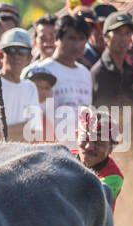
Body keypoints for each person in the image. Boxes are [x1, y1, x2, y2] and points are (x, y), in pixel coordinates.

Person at [36, 13, 94, 143]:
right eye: (71, 38)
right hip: (51, 149)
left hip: (80, 150)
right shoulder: (42, 72)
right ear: (57, 38)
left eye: (81, 39)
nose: (77, 44)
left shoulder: (85, 73)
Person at [73, 107, 125, 206]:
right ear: (77, 135)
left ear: (111, 148)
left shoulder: (113, 177)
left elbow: (86, 202)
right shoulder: (64, 156)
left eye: (99, 142)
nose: (89, 147)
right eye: (85, 138)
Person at [0, 28, 40, 141]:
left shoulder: (30, 87)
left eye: (22, 52)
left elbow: (34, 130)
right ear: (1, 55)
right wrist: (23, 127)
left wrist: (7, 130)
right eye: (11, 50)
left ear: (29, 58)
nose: (16, 56)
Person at [90, 12, 133, 112]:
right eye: (117, 32)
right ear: (105, 37)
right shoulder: (98, 73)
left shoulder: (130, 72)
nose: (123, 38)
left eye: (127, 33)